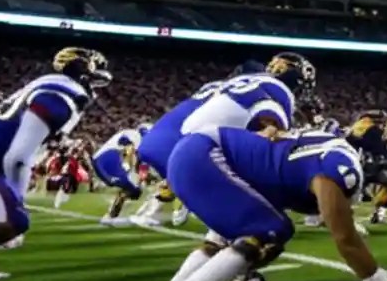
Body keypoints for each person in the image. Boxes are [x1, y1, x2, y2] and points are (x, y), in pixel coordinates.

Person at [148, 128, 387, 281]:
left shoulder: (329, 146)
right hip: (207, 157)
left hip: (199, 154)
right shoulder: (341, 167)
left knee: (225, 239)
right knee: (271, 230)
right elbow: (345, 238)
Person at [0, 48, 110, 280]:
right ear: (81, 70)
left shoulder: (51, 87)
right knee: (13, 220)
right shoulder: (60, 96)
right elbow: (17, 157)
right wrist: (18, 198)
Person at [134, 53, 315, 225]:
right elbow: (271, 131)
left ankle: (163, 203)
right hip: (187, 152)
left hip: (161, 138)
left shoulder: (226, 86)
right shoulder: (276, 89)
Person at [95, 123, 151, 225]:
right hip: (107, 159)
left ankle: (113, 213)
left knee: (134, 191)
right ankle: (110, 216)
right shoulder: (136, 136)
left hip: (105, 159)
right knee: (132, 188)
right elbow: (126, 145)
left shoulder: (134, 136)